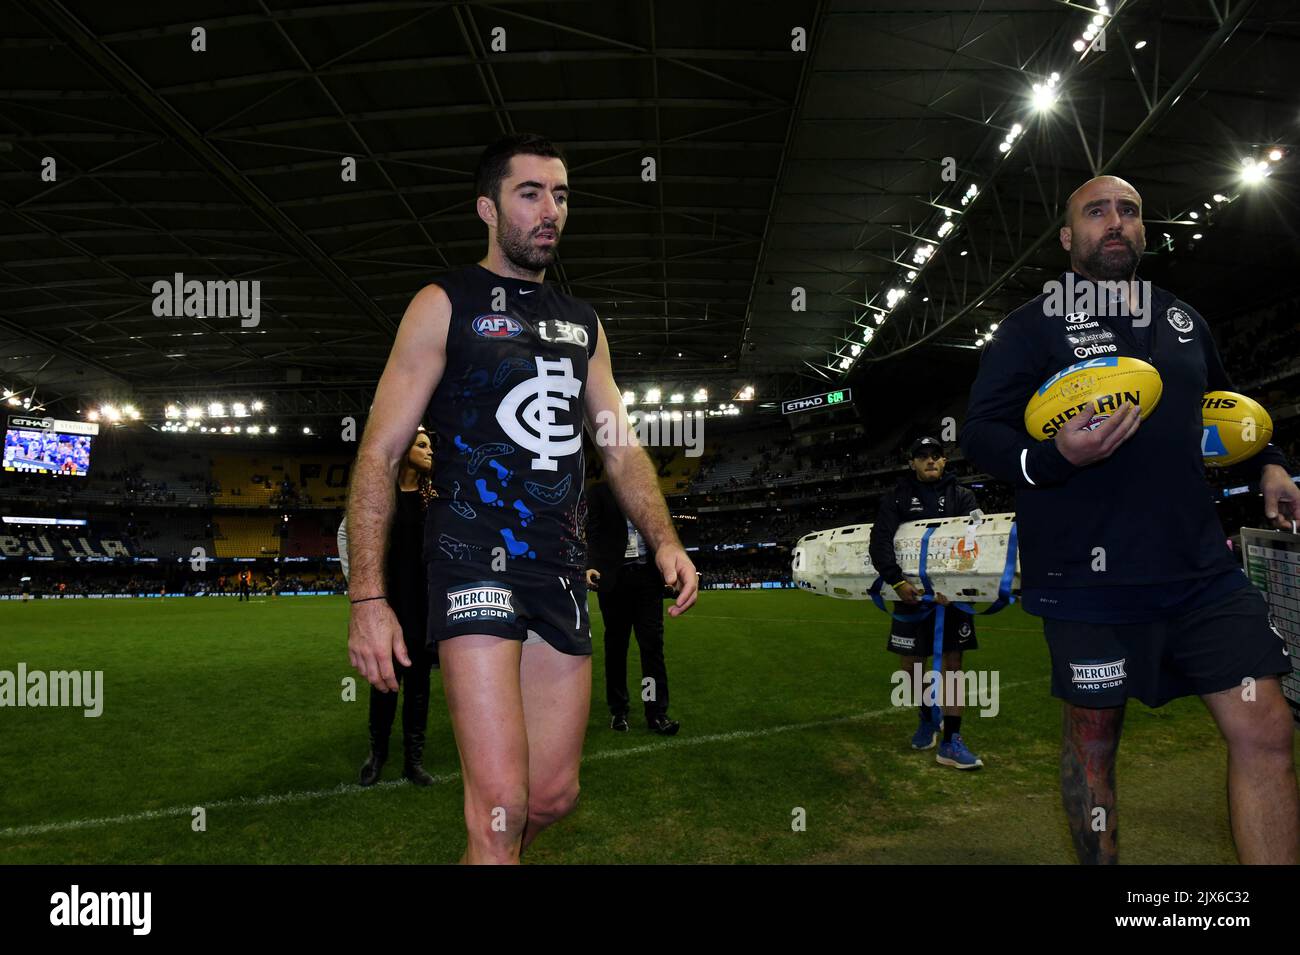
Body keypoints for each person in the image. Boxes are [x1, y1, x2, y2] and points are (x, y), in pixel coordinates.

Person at [344, 133, 698, 864]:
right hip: (472, 560)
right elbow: (378, 454)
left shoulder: (584, 324)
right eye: (530, 193)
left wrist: (663, 537)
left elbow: (619, 442)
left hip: (560, 567)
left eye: (561, 195)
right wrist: (368, 598)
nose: (550, 211)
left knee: (551, 797)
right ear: (487, 207)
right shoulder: (443, 303)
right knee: (500, 806)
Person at [961, 174, 1299, 864]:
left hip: (1200, 572)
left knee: (1267, 726)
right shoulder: (1029, 329)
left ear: (1144, 231)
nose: (1115, 221)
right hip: (1089, 584)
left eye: (1130, 211)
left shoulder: (1183, 320)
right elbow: (981, 433)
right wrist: (1053, 456)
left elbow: (1222, 411)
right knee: (1094, 752)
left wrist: (1268, 459)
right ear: (1067, 237)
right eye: (1096, 211)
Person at [868, 436, 983, 769]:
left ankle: (952, 741)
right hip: (910, 595)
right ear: (912, 463)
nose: (930, 461)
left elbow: (977, 541)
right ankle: (927, 718)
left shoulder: (963, 496)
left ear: (945, 461)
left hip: (953, 599)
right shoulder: (897, 497)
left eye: (936, 456)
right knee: (911, 667)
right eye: (922, 457)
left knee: (953, 666)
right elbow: (881, 541)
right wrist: (897, 581)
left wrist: (958, 586)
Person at [339, 429, 438, 786]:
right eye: (421, 445)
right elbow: (346, 534)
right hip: (389, 606)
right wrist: (363, 591)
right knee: (385, 683)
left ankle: (413, 761)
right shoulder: (380, 496)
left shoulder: (434, 498)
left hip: (424, 606)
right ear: (404, 447)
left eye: (431, 446)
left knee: (419, 686)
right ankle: (377, 755)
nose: (429, 451)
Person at [585, 477, 680, 735]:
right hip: (614, 580)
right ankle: (619, 711)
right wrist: (590, 564)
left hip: (647, 579)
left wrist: (670, 571)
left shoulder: (650, 490)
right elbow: (592, 532)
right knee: (616, 648)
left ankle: (656, 712)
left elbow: (662, 535)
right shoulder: (599, 493)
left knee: (652, 647)